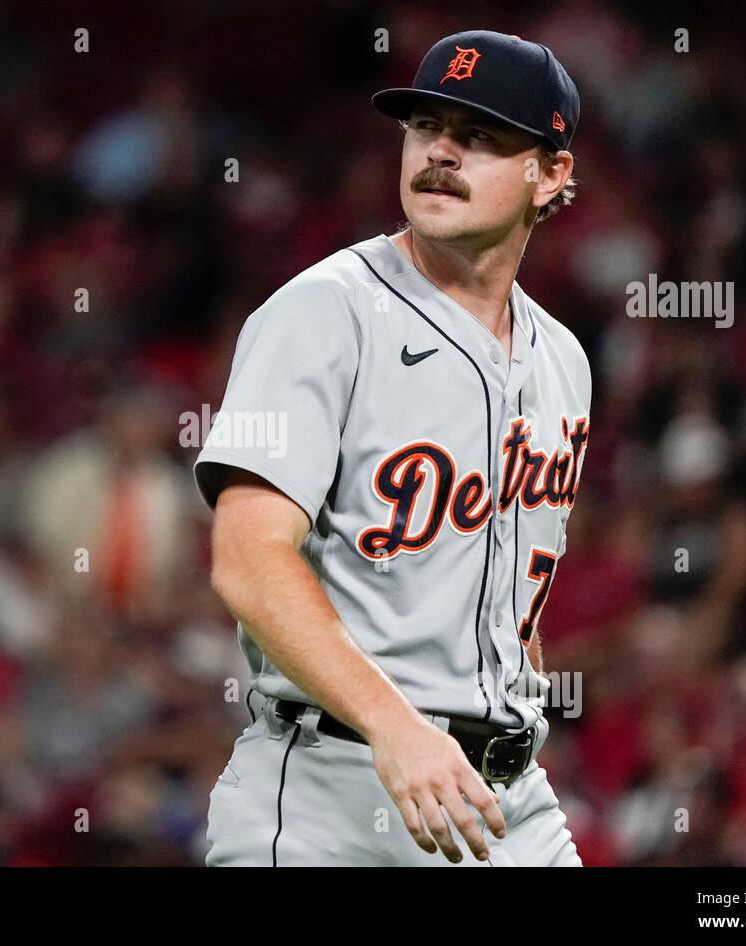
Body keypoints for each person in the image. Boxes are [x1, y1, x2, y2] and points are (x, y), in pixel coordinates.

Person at [194, 30, 591, 865]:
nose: (441, 152)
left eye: (479, 136)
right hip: (334, 795)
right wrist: (393, 724)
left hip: (504, 803)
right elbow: (247, 559)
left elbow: (513, 586)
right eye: (425, 127)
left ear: (550, 174)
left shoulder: (564, 360)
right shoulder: (322, 314)